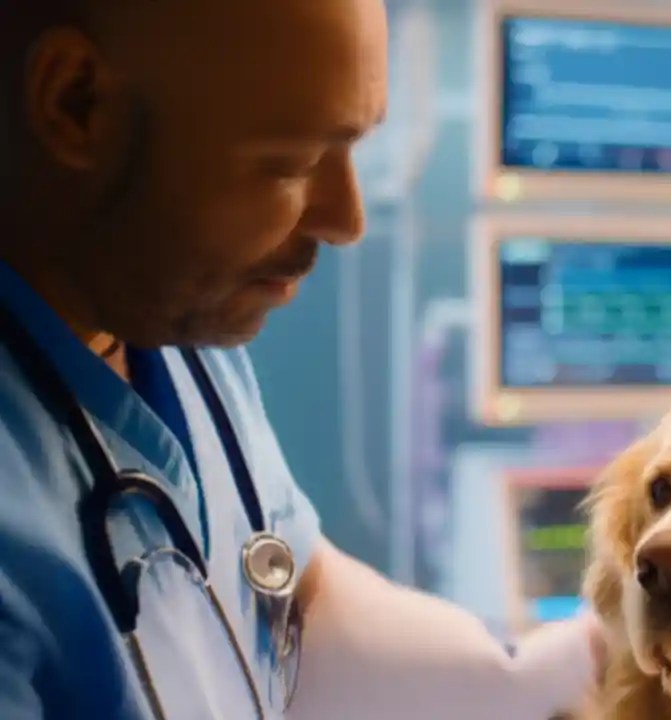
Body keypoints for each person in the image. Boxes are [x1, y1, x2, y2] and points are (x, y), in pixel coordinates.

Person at [0, 0, 604, 718]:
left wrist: (579, 663)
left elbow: (298, 608)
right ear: (76, 102)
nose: (346, 219)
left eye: (353, 149)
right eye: (289, 164)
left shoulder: (174, 327)